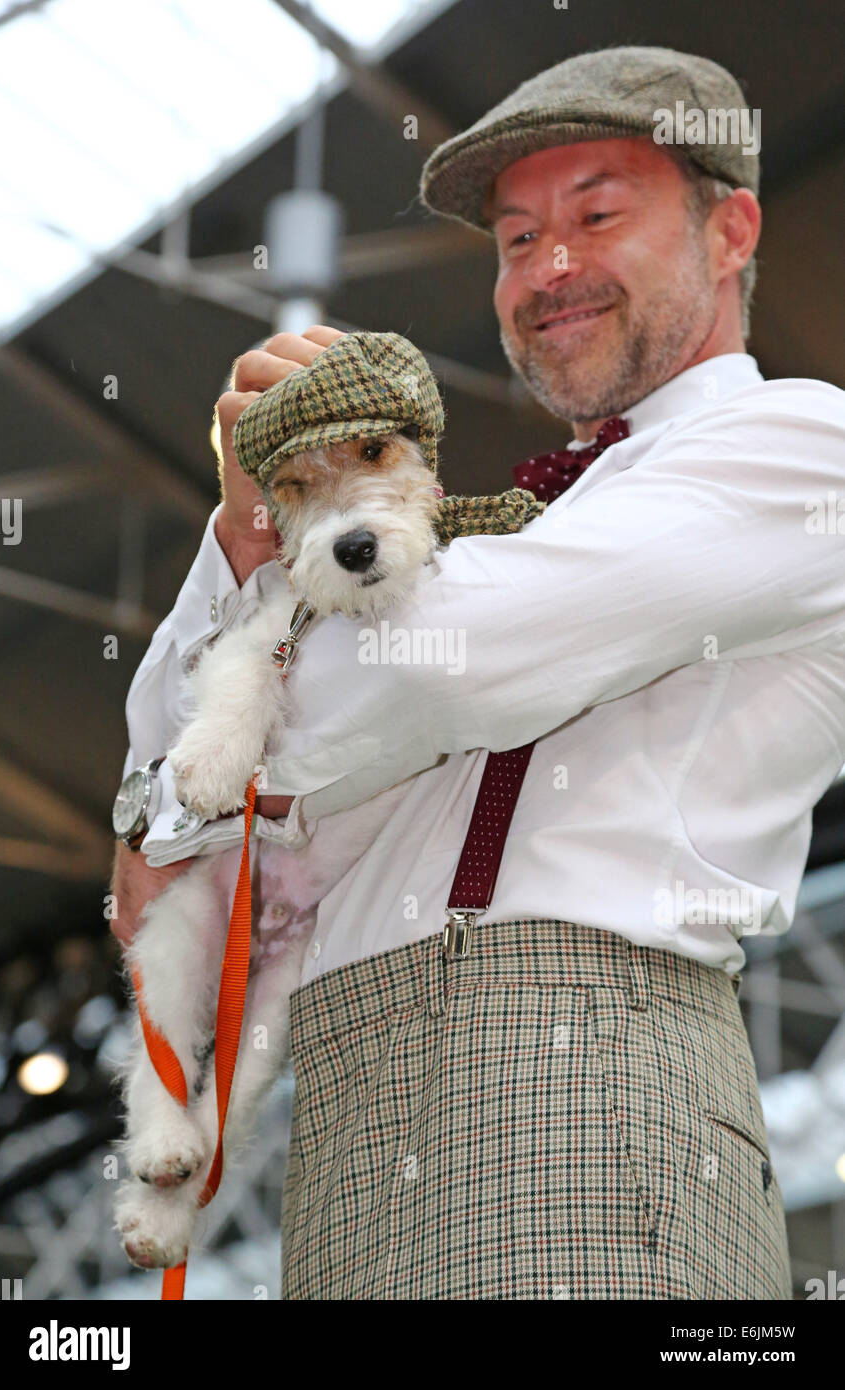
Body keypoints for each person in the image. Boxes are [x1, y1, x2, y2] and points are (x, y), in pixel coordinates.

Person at [110, 47, 845, 1299]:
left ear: (731, 230)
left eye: (595, 214)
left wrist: (183, 806)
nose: (546, 266)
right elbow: (165, 747)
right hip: (345, 1096)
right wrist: (244, 532)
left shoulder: (799, 443)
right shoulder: (499, 520)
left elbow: (433, 675)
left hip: (583, 1071)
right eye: (513, 239)